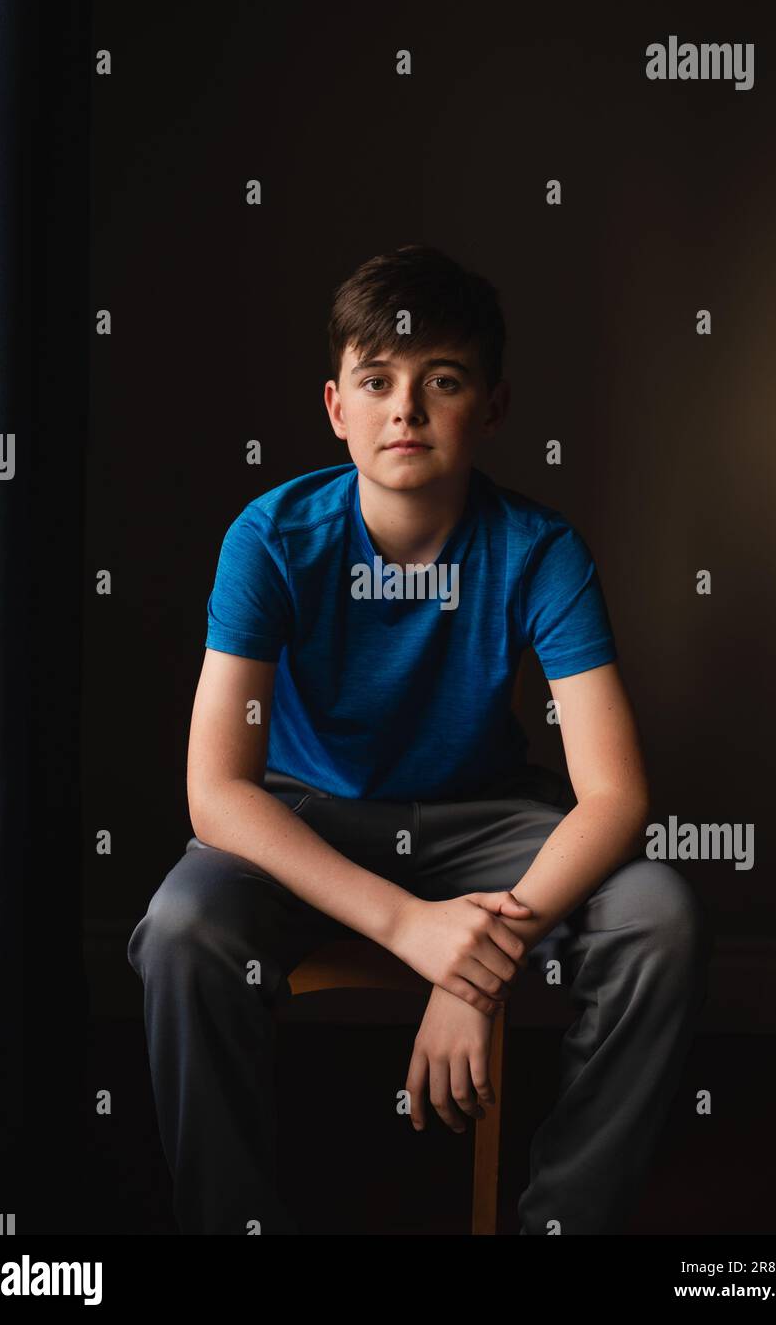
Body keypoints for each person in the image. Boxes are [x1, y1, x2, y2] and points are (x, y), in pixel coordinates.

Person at [127, 243, 711, 1235]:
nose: (404, 408)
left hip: (486, 821)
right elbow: (217, 792)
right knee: (182, 931)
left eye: (440, 381)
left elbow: (614, 795)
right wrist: (412, 928)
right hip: (311, 811)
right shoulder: (269, 537)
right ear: (335, 407)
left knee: (658, 912)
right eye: (377, 381)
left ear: (489, 405)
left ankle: (564, 1220)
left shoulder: (538, 550)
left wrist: (481, 950)